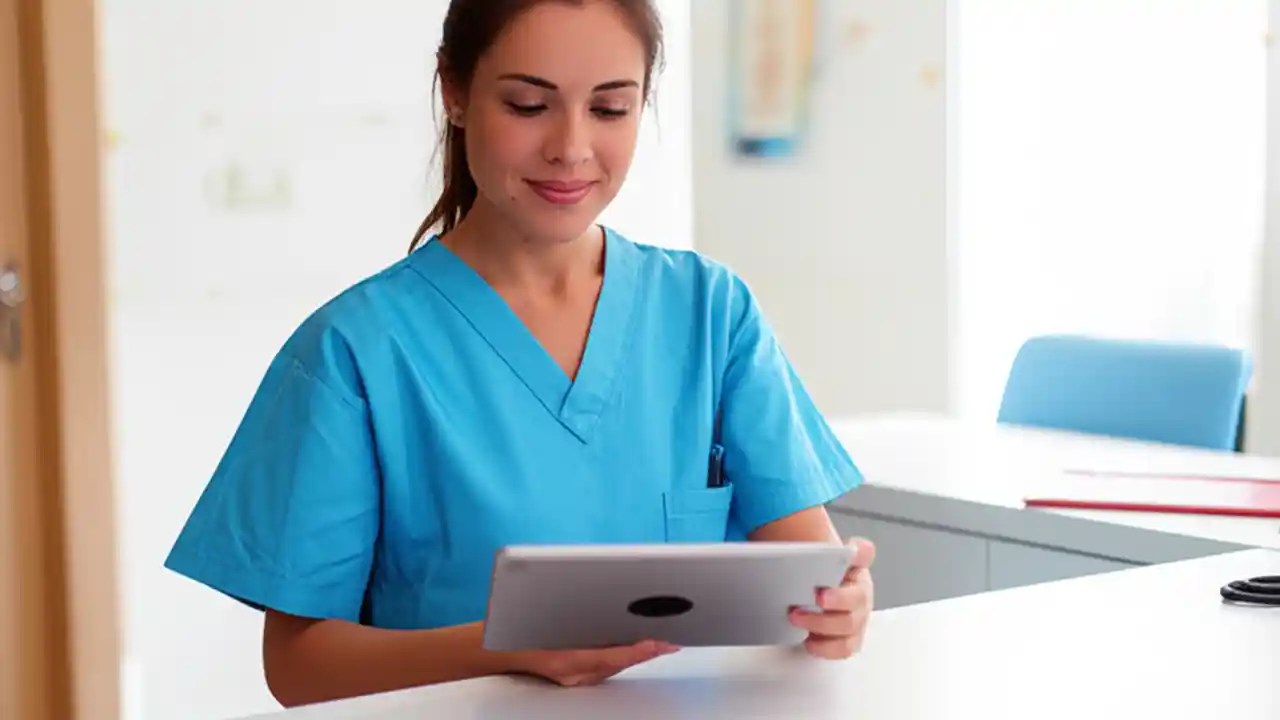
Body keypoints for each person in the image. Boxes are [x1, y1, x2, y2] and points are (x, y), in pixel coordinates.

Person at [164, 0, 876, 708]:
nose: (570, 147)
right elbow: (297, 667)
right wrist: (501, 647)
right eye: (530, 104)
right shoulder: (357, 350)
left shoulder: (711, 313)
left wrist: (840, 607)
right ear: (455, 92)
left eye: (609, 109)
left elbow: (807, 573)